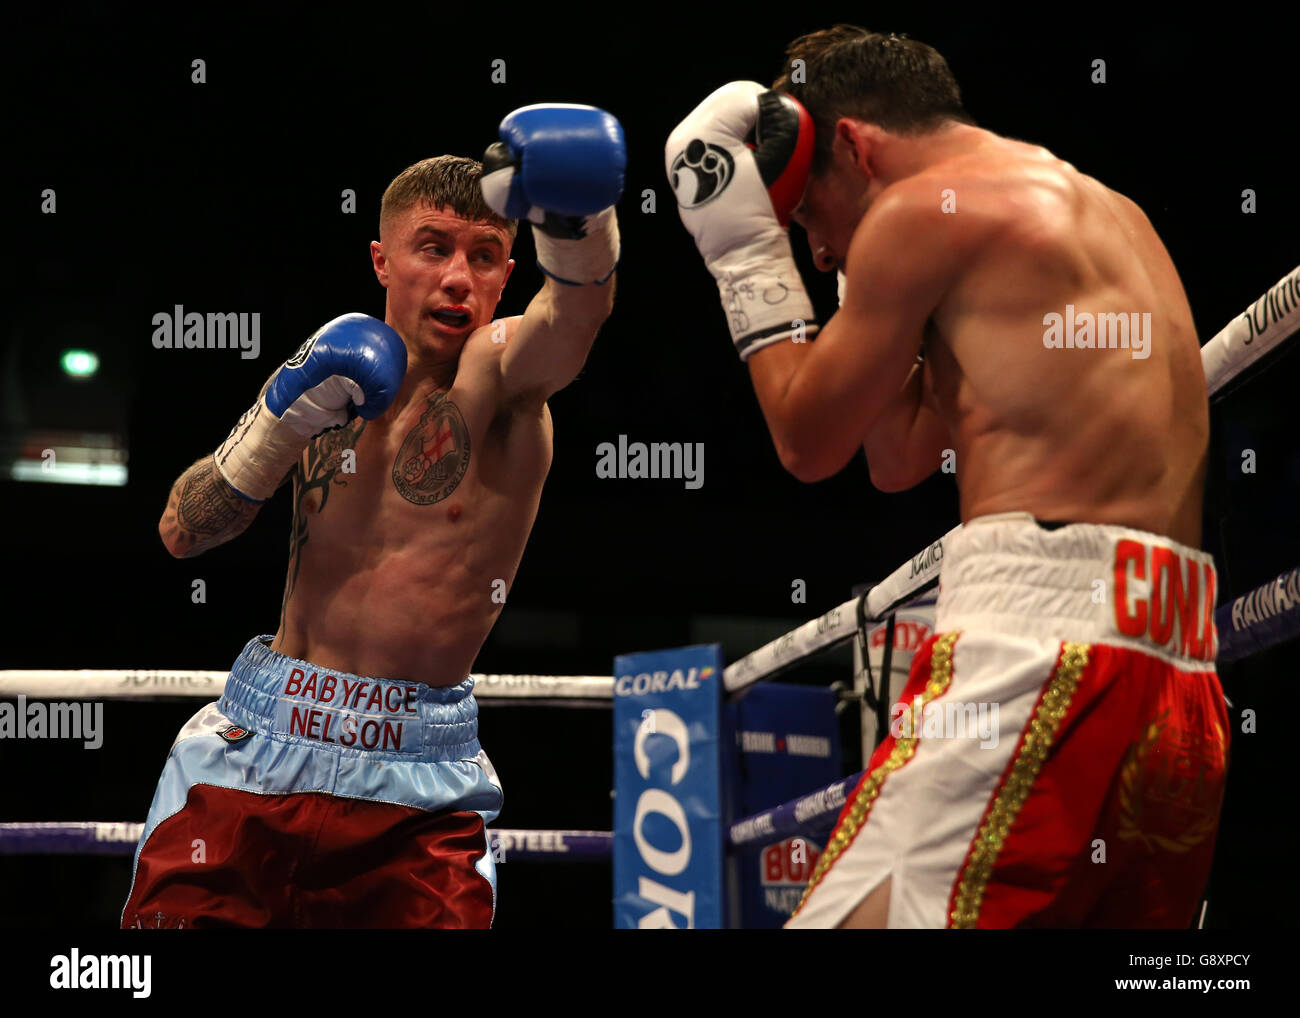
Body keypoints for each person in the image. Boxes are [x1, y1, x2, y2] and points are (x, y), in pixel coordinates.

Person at [666, 26, 1227, 929]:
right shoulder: (1111, 211)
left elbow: (809, 443)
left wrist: (741, 254)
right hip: (1179, 677)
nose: (812, 252)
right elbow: (896, 459)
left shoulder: (921, 213)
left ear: (852, 142)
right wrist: (859, 281)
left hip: (1037, 652)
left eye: (807, 214)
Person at [123, 104, 624, 928]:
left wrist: (580, 222)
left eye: (486, 256)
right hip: (253, 753)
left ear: (507, 276)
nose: (459, 278)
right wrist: (277, 419)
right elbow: (183, 532)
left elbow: (576, 315)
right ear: (382, 260)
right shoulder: (326, 382)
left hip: (416, 790)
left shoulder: (505, 382)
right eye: (434, 249)